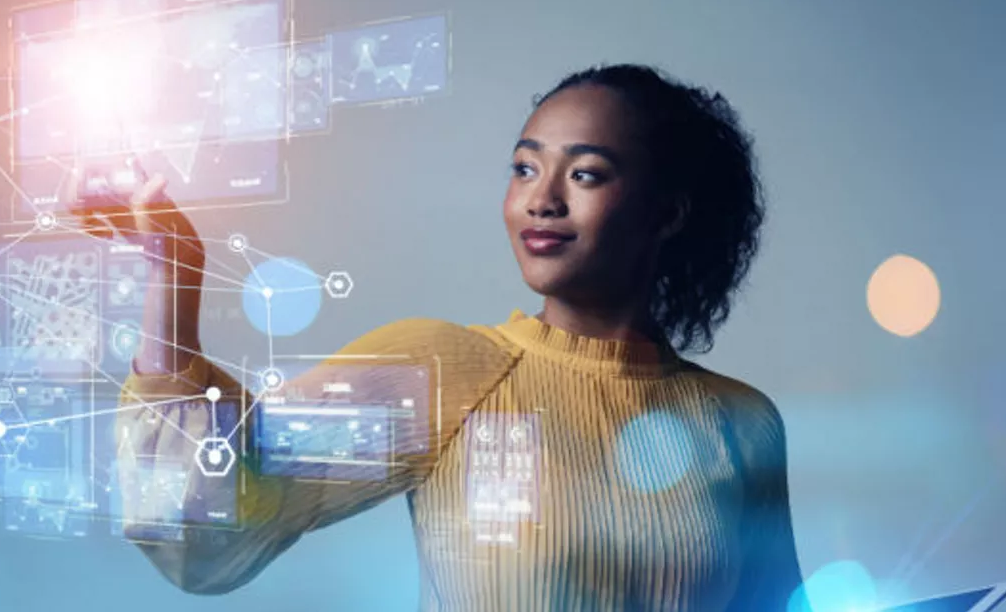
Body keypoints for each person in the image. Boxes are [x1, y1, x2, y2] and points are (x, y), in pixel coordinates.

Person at [77, 63, 808, 611]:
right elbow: (203, 526)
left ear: (670, 213)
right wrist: (172, 272)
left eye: (584, 173)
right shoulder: (446, 370)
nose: (540, 199)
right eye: (524, 167)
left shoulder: (742, 423)